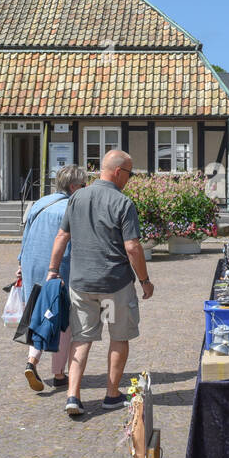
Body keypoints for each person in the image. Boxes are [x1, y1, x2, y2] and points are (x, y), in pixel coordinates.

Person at [46, 150, 153, 418]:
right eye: (129, 173)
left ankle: (73, 395)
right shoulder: (123, 202)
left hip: (81, 284)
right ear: (118, 172)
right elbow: (133, 247)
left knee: (81, 339)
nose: (130, 178)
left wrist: (53, 270)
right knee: (118, 337)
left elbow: (62, 235)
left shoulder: (77, 198)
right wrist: (145, 281)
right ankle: (111, 394)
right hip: (114, 286)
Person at [17, 164, 88, 392]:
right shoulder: (73, 206)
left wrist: (20, 264)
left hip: (32, 265)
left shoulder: (39, 203)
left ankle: (32, 361)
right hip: (59, 268)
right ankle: (58, 374)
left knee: (40, 315)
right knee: (63, 321)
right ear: (74, 186)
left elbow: (25, 236)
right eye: (84, 185)